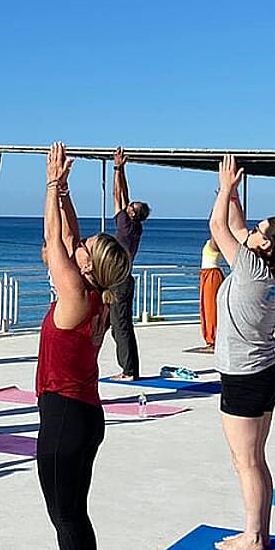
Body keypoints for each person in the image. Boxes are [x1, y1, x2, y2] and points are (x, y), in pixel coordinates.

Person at [35, 142, 132, 550]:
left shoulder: (74, 293)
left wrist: (51, 186)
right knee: (74, 511)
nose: (81, 247)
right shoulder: (91, 292)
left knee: (65, 514)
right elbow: (69, 236)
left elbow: (55, 241)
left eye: (86, 250)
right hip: (83, 415)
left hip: (66, 417)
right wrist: (66, 190)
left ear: (89, 266)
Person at [208, 155, 275, 550]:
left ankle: (253, 535)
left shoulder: (248, 268)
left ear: (264, 245)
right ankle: (259, 530)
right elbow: (240, 227)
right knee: (256, 460)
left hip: (244, 377)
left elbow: (218, 228)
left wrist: (226, 189)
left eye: (260, 231)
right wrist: (230, 192)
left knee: (244, 463)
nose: (253, 232)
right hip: (265, 372)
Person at [108, 147, 149, 380]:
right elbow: (124, 197)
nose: (126, 206)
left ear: (132, 213)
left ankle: (128, 371)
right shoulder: (135, 226)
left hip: (119, 281)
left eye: (130, 207)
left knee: (120, 327)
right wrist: (122, 169)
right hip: (125, 279)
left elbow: (116, 196)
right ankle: (129, 368)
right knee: (122, 326)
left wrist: (116, 168)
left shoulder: (125, 224)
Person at [199, 237, 224, 349]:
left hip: (211, 274)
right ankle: (210, 338)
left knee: (211, 308)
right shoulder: (211, 241)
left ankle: (213, 340)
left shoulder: (216, 241)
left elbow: (217, 228)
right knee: (205, 307)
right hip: (206, 273)